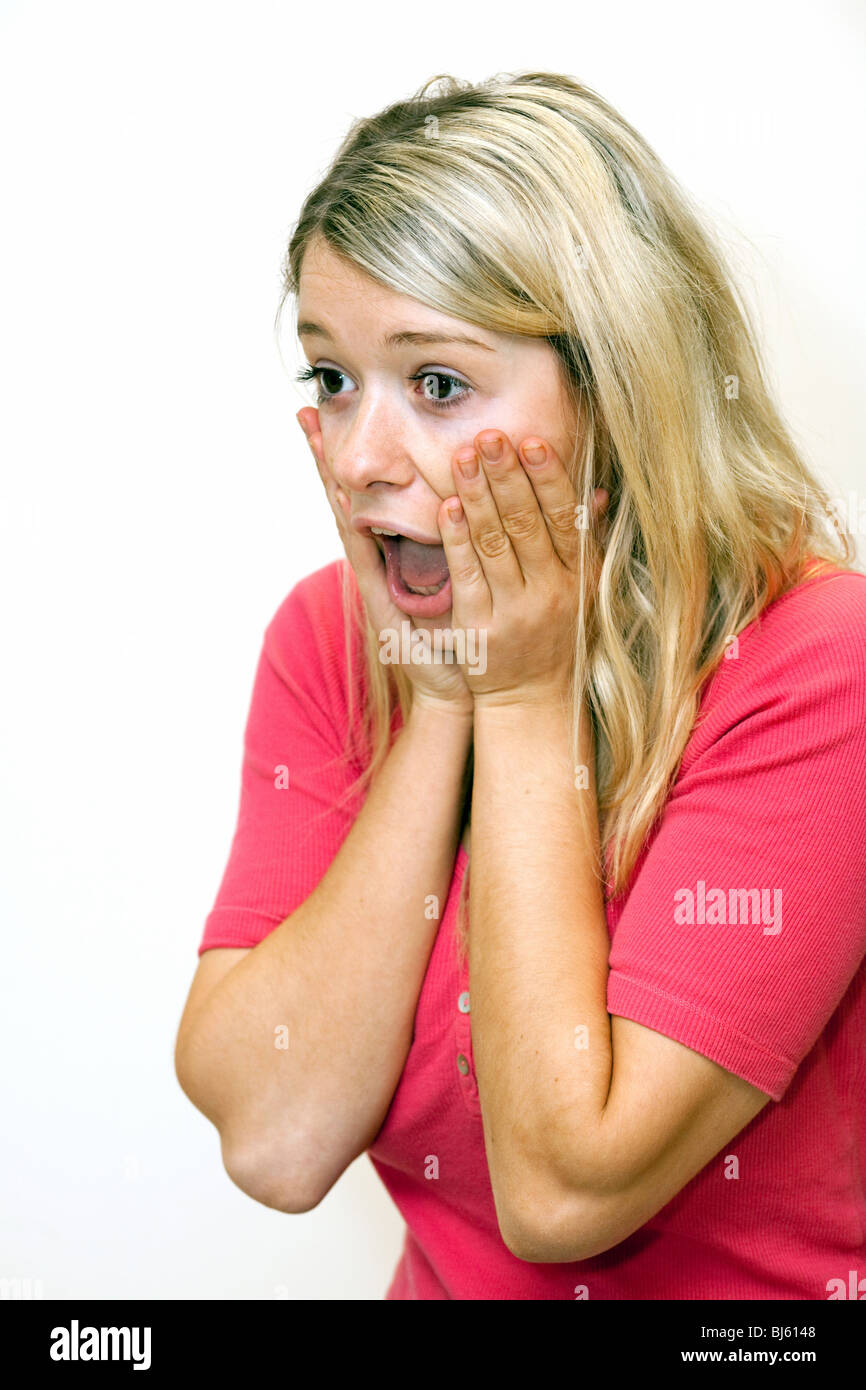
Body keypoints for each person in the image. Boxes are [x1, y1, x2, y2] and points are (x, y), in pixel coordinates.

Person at [174, 71, 866, 1300]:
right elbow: (275, 1138)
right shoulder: (329, 640)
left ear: (614, 390)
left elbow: (564, 1189)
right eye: (331, 380)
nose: (362, 459)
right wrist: (442, 689)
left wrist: (524, 697)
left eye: (435, 384)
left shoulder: (822, 668)